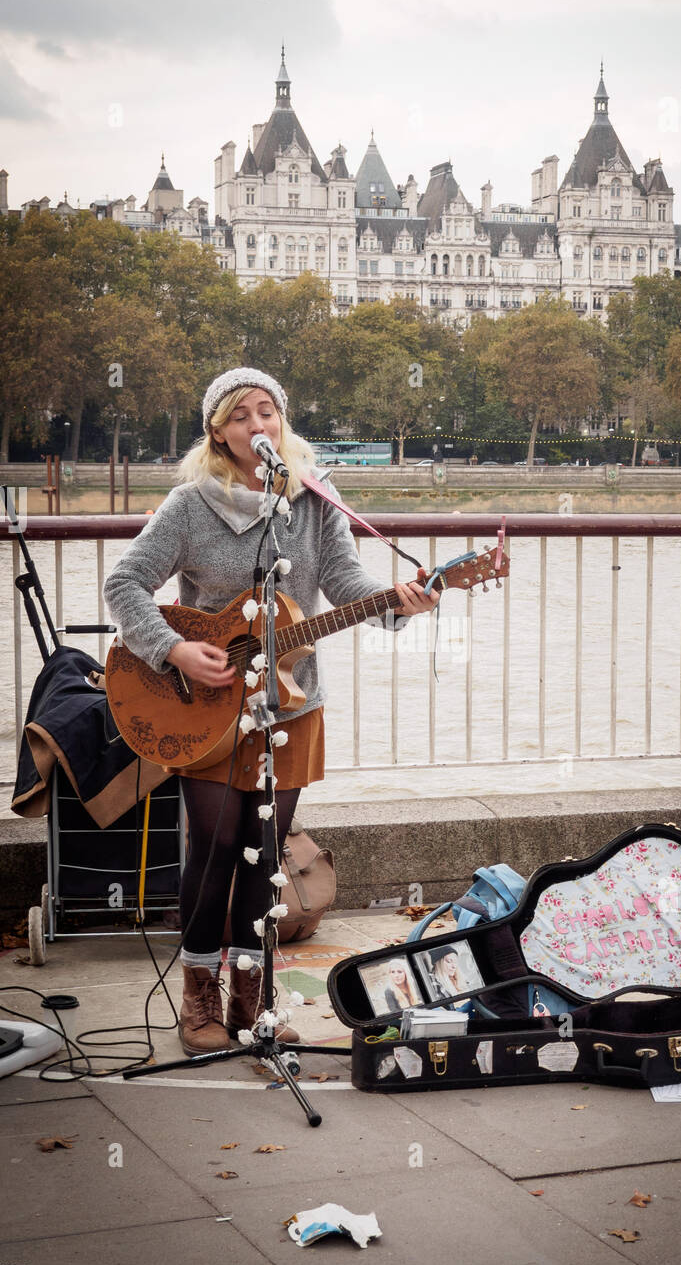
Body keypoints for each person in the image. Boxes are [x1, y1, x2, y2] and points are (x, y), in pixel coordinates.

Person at [104, 368, 438, 1056]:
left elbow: (346, 585)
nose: (259, 425)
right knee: (217, 845)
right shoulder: (192, 505)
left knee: (266, 859)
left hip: (291, 706)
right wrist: (174, 651)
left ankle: (254, 1001)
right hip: (209, 710)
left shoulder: (314, 500)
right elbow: (125, 582)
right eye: (241, 416)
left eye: (269, 412)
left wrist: (398, 603)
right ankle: (198, 999)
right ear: (219, 434)